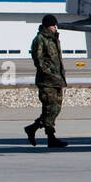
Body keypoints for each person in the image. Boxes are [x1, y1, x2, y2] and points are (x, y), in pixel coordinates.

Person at [26, 14, 69, 148]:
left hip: (57, 79)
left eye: (55, 25)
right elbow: (38, 60)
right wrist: (49, 73)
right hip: (46, 81)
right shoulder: (40, 39)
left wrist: (60, 76)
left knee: (54, 109)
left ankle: (33, 128)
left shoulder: (54, 39)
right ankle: (50, 137)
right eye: (52, 25)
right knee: (50, 108)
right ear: (46, 26)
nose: (55, 27)